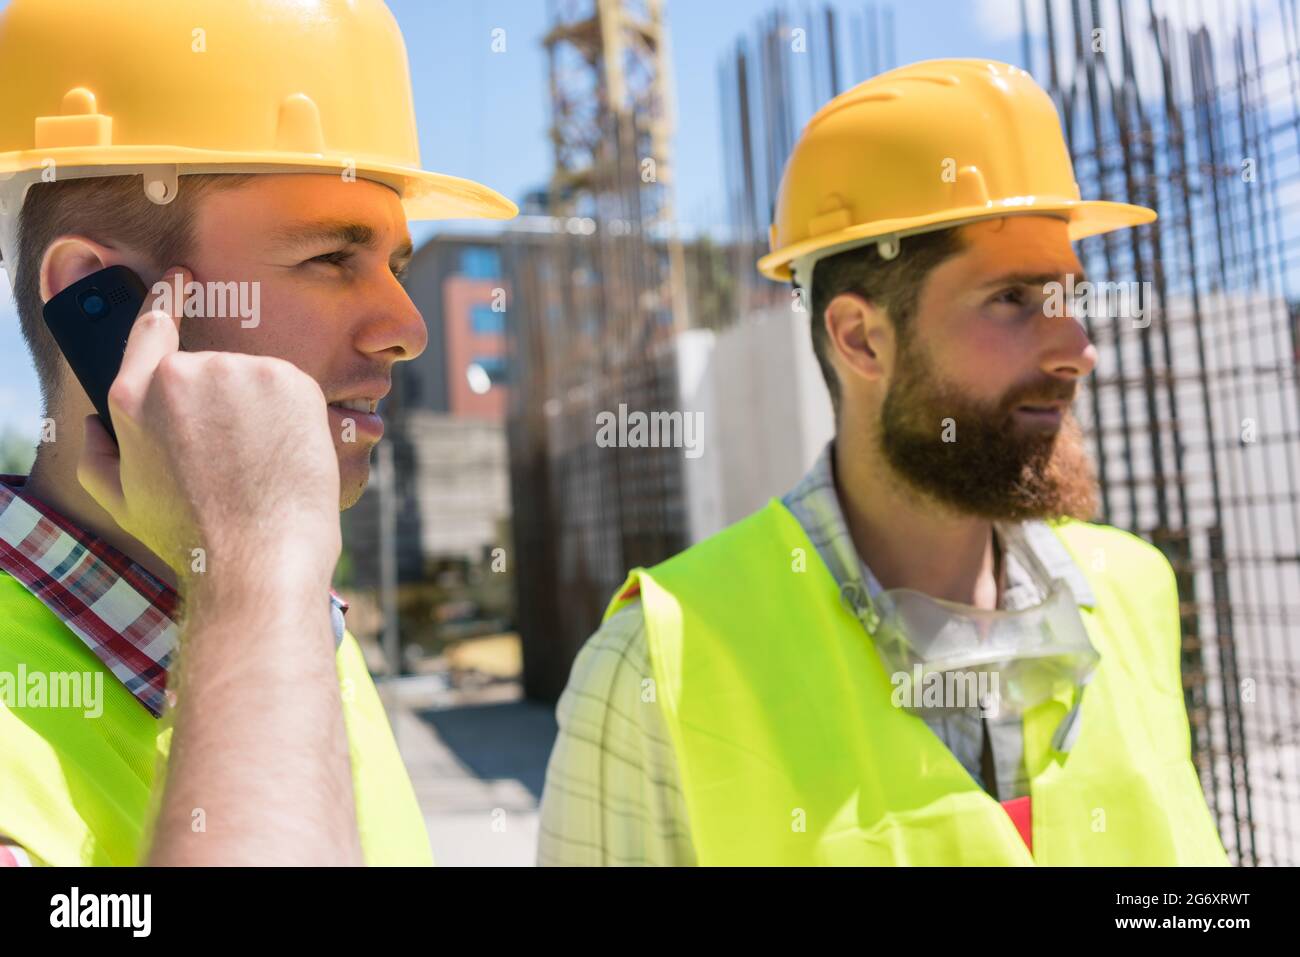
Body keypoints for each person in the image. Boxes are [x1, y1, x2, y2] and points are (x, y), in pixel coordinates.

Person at [537, 59, 1227, 866]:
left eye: (1070, 296)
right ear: (860, 338)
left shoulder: (1134, 591)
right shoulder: (659, 669)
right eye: (1013, 299)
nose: (1079, 348)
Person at [0, 0, 515, 866]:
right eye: (329, 258)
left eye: (394, 266)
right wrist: (256, 585)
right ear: (103, 302)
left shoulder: (299, 616)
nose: (408, 326)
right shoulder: (267, 595)